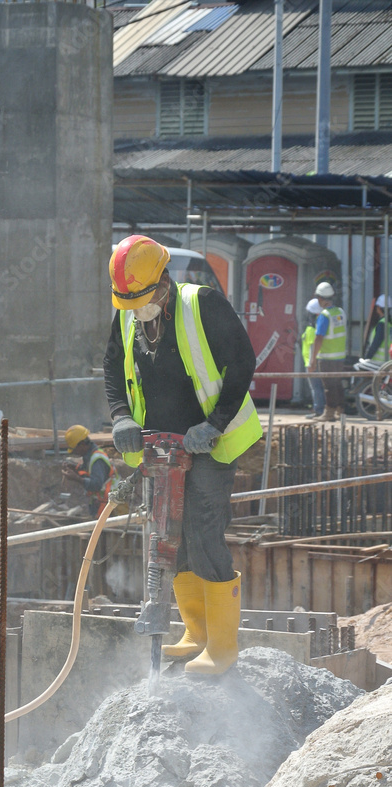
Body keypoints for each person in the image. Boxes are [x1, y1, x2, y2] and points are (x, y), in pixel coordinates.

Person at [104, 234, 262, 675]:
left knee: (203, 528)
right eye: (127, 302)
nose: (135, 309)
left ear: (162, 283)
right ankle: (197, 632)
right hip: (161, 446)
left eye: (140, 299)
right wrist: (120, 417)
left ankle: (223, 647)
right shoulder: (127, 315)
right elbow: (112, 369)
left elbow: (243, 362)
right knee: (173, 534)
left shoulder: (202, 305)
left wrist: (214, 423)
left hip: (211, 441)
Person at [307, 281, 347, 421]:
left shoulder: (324, 315)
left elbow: (319, 338)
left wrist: (313, 359)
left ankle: (329, 413)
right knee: (337, 384)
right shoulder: (340, 312)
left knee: (328, 386)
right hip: (340, 357)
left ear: (320, 298)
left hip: (327, 358)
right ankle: (340, 410)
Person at [62, 424, 119, 517]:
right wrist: (75, 468)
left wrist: (76, 478)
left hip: (109, 507)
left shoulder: (97, 460)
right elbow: (89, 472)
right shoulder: (90, 455)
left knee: (105, 531)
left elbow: (96, 485)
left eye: (75, 449)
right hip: (104, 503)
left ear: (82, 444)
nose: (74, 452)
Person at [301, 297, 326, 419]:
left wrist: (312, 363)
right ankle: (319, 409)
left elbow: (312, 348)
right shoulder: (314, 328)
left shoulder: (312, 329)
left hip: (312, 363)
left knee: (316, 387)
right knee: (318, 387)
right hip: (312, 362)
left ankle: (318, 410)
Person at [364, 294, 392, 363]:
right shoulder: (389, 323)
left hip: (378, 363)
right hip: (387, 362)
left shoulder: (382, 324)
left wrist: (367, 358)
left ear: (379, 308)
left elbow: (376, 344)